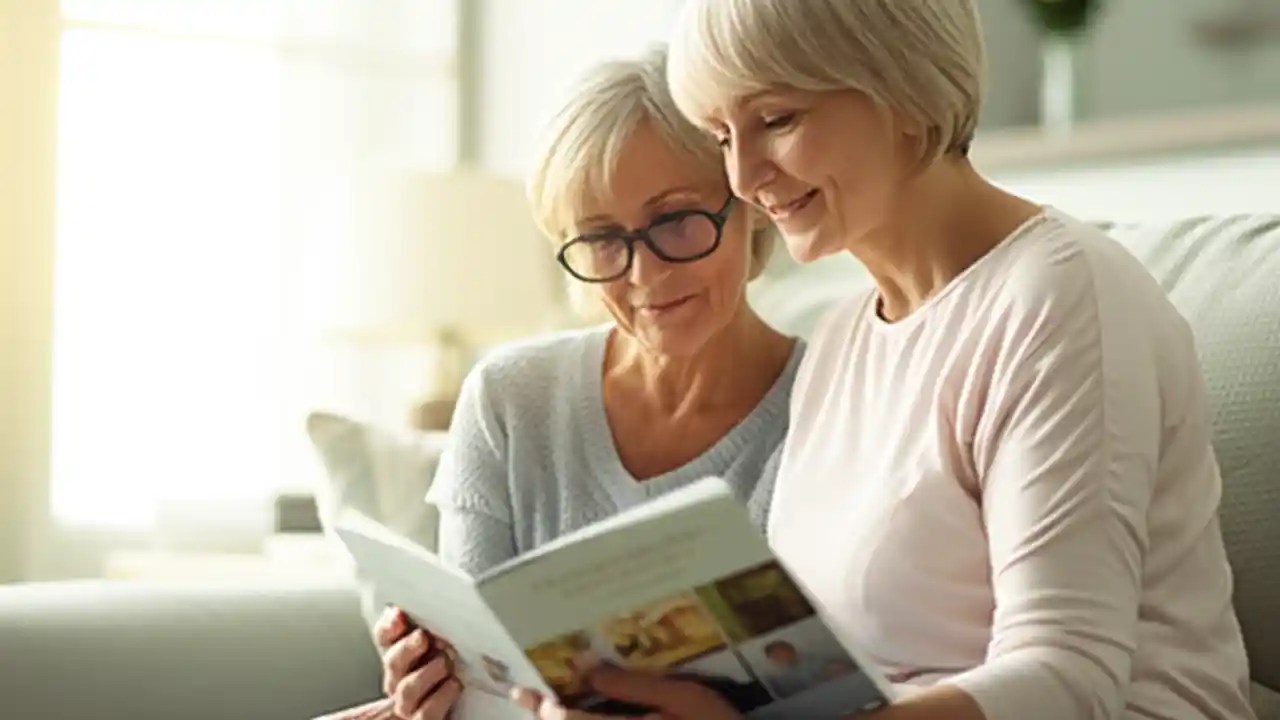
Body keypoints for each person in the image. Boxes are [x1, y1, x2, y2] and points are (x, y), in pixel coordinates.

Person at [514, 1, 1256, 719]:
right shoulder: (841, 342)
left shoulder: (1060, 297)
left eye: (776, 120)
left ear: (903, 88)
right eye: (719, 136)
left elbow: (1068, 681)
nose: (742, 178)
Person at [373, 45, 802, 720]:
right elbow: (480, 679)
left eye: (676, 219)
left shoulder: (832, 403)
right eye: (602, 238)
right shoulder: (510, 400)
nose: (643, 275)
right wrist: (432, 688)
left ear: (749, 209)